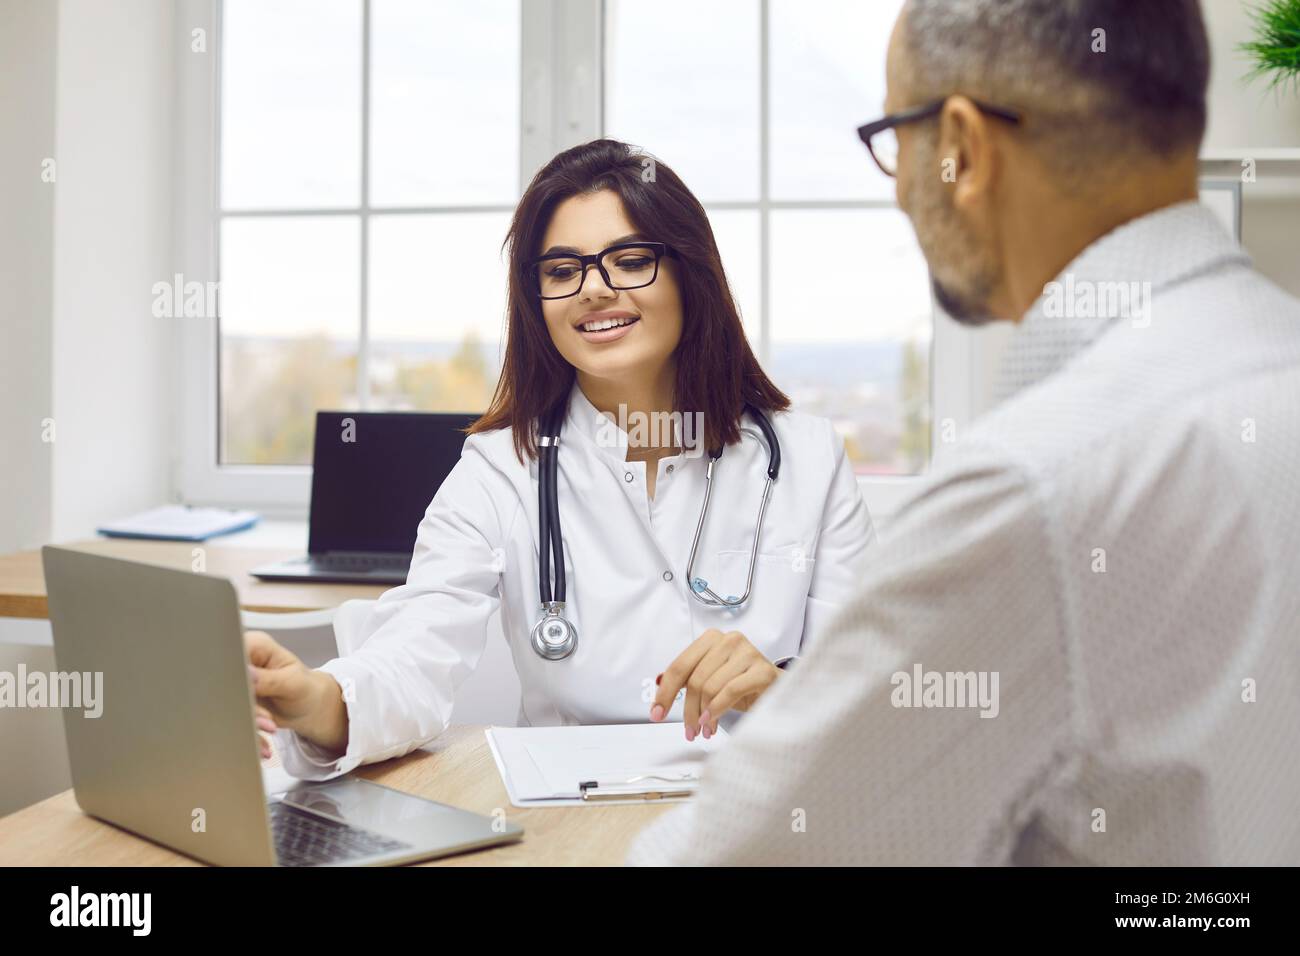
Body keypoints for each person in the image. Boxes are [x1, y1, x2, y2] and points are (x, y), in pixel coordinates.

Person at [628, 0, 1300, 865]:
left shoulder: (1034, 488)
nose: (899, 188)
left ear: (963, 149)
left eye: (894, 139)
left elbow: (744, 854)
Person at [245, 139, 875, 779]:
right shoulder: (500, 470)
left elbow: (868, 691)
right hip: (568, 813)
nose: (594, 289)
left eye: (631, 261)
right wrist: (318, 700)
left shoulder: (808, 458)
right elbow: (416, 654)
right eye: (561, 271)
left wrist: (779, 688)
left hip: (763, 806)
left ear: (692, 274)